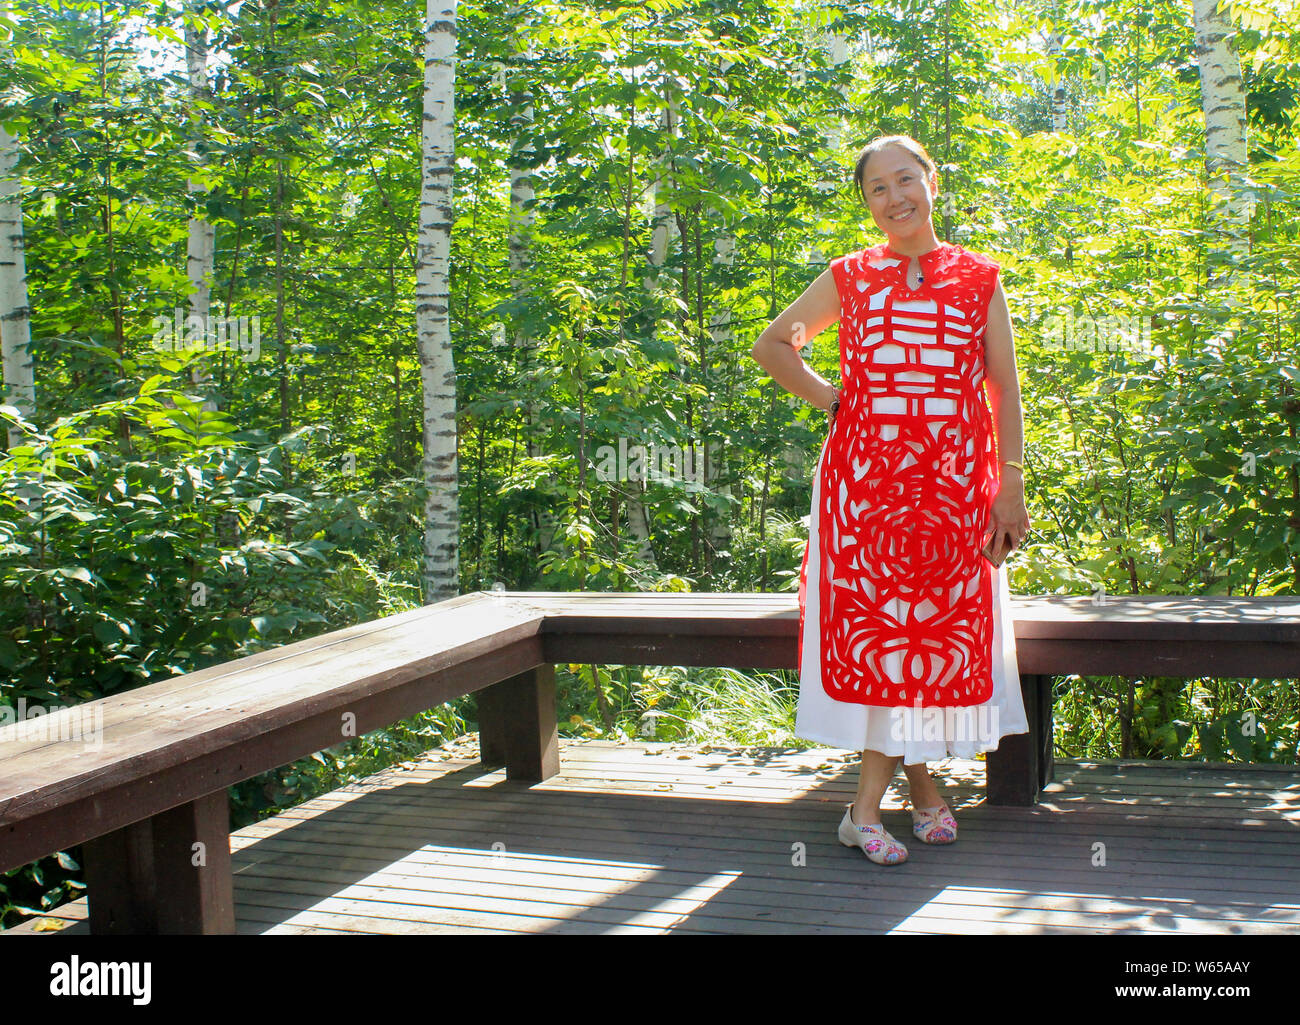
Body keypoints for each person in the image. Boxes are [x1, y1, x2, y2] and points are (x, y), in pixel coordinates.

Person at [750, 134, 1032, 865]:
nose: (894, 197)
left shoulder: (979, 278)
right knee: (884, 632)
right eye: (876, 187)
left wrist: (1012, 481)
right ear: (866, 201)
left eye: (906, 179)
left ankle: (916, 787)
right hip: (863, 490)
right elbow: (776, 343)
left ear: (933, 182)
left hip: (955, 490)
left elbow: (1002, 386)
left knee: (928, 636)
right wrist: (838, 402)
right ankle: (880, 804)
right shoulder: (849, 277)